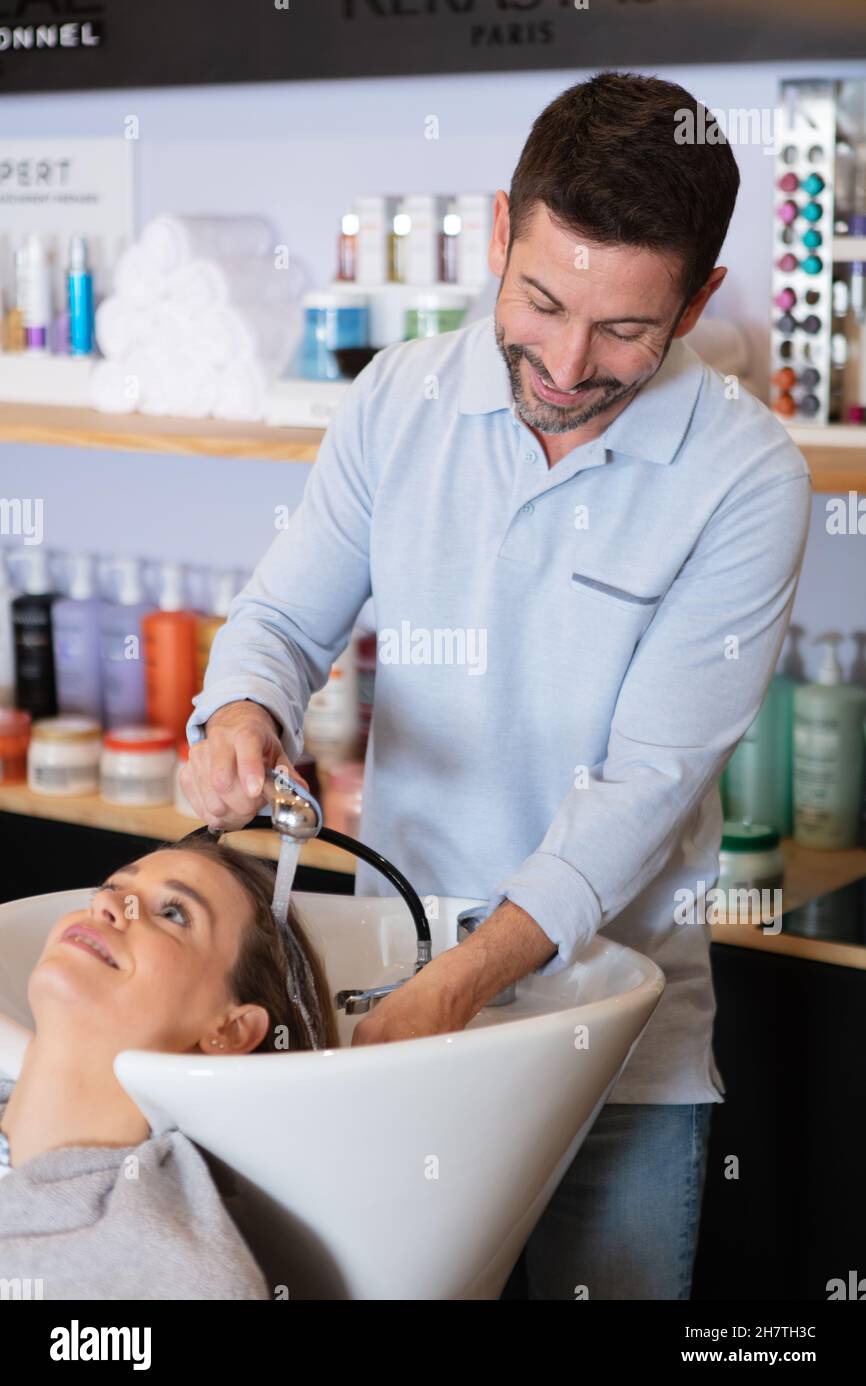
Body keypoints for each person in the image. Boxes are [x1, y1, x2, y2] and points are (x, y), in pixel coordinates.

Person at [180, 71, 812, 1298]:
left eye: (624, 328)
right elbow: (281, 619)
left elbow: (643, 785)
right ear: (497, 235)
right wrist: (243, 710)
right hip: (391, 979)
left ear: (698, 302)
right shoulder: (396, 400)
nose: (566, 364)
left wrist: (463, 982)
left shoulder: (746, 479)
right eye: (541, 300)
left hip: (612, 1038)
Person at [0, 830, 338, 1300]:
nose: (108, 905)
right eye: (110, 889)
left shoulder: (171, 1273)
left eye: (173, 914)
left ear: (230, 1030)